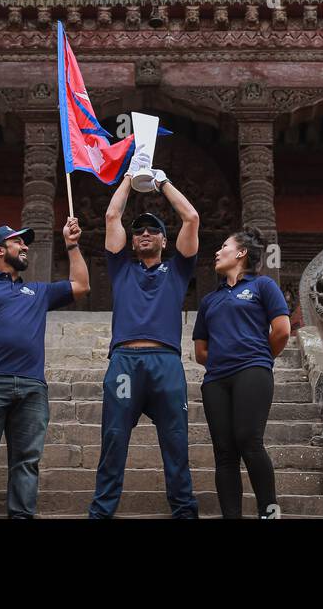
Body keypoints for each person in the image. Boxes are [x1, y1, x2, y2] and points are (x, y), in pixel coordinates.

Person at [0, 217, 89, 519]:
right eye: (18, 242)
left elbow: (82, 285)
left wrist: (72, 245)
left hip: (32, 387)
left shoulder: (38, 291)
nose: (25, 247)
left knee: (26, 460)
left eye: (25, 242)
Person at [88, 161, 200, 519]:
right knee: (114, 440)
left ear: (165, 240)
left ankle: (184, 512)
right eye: (139, 232)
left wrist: (161, 180)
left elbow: (192, 218)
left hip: (166, 364)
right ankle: (101, 513)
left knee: (176, 444)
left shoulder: (179, 269)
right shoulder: (121, 268)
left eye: (153, 230)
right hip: (125, 365)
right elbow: (111, 216)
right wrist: (129, 178)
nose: (144, 234)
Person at [193, 229, 291, 519]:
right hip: (215, 381)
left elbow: (283, 330)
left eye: (224, 246)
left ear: (241, 253)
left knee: (249, 440)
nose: (217, 251)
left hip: (253, 371)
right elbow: (200, 351)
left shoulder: (263, 286)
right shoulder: (209, 301)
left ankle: (268, 513)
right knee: (224, 453)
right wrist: (224, 359)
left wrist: (258, 358)